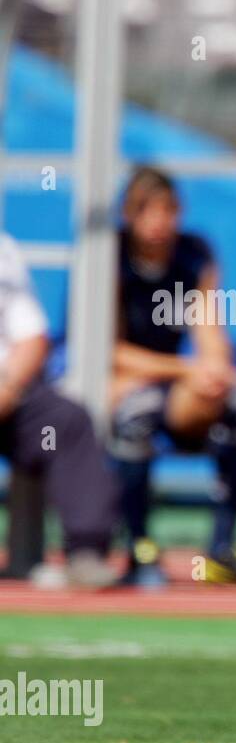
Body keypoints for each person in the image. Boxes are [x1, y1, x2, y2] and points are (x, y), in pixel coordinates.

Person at [110, 167, 236, 587]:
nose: (160, 222)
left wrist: (214, 370)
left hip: (174, 387)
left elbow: (208, 326)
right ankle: (139, 547)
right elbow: (109, 352)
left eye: (169, 211)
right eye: (149, 211)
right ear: (130, 214)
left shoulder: (194, 254)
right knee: (136, 411)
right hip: (125, 382)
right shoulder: (108, 258)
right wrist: (185, 368)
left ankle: (222, 548)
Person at [0, 233, 117, 589]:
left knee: (67, 420)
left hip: (9, 397)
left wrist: (6, 389)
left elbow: (32, 337)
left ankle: (85, 551)